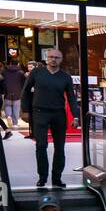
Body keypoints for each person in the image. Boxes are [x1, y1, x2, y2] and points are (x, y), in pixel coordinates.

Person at [20, 49, 80, 188]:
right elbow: (26, 91)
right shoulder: (37, 73)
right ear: (47, 58)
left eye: (57, 57)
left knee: (60, 147)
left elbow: (71, 97)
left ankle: (57, 177)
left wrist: (76, 116)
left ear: (61, 59)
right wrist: (25, 111)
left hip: (59, 114)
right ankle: (42, 177)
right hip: (39, 113)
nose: (54, 59)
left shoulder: (65, 77)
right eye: (51, 57)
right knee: (41, 146)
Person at [2, 57, 27, 131]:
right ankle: (15, 123)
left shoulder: (4, 71)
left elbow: (1, 80)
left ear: (10, 63)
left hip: (7, 91)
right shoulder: (21, 72)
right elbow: (24, 83)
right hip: (17, 92)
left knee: (7, 105)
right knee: (16, 108)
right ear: (18, 64)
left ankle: (8, 116)